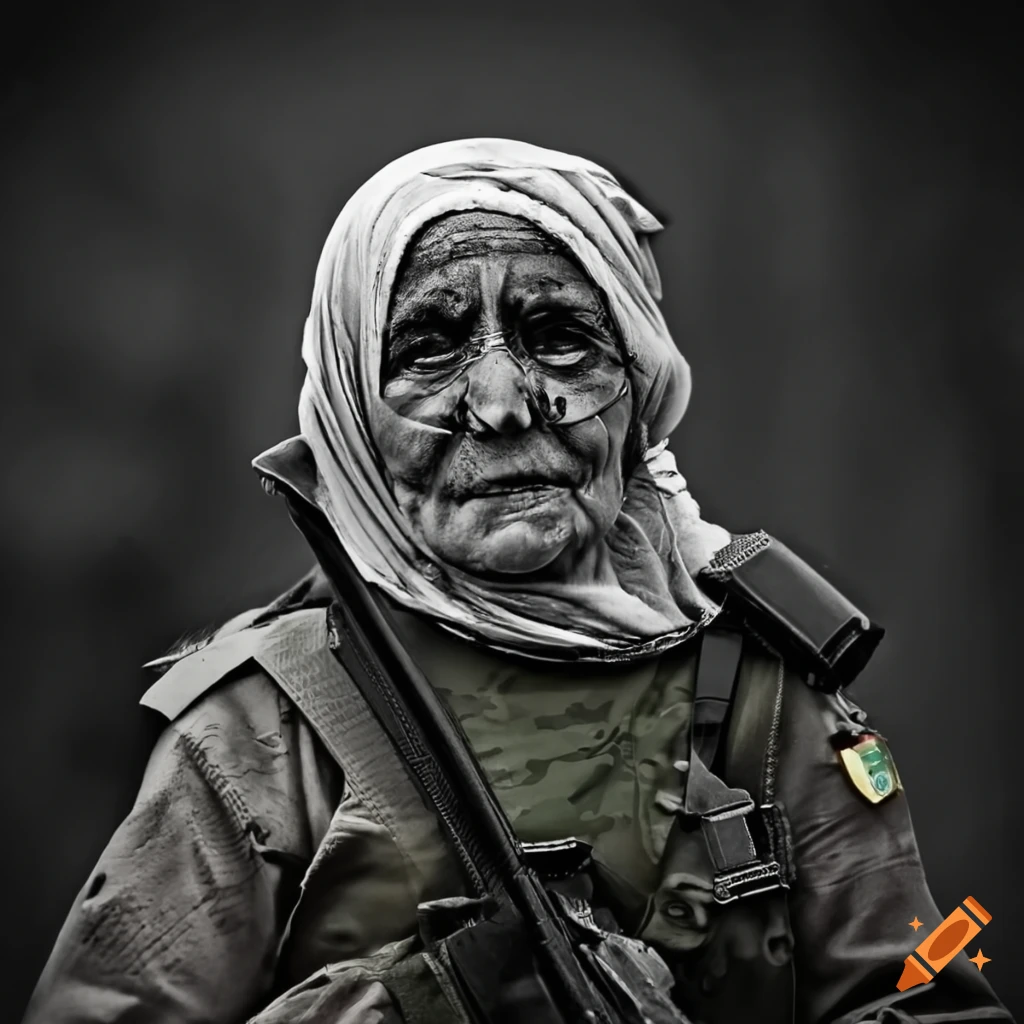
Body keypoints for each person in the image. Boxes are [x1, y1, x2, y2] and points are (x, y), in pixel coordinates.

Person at [23, 139, 1013, 1024]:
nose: (499, 403)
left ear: (639, 393)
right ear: (351, 423)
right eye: (425, 348)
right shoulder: (261, 725)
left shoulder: (761, 687)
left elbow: (922, 1003)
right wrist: (413, 998)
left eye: (558, 336)